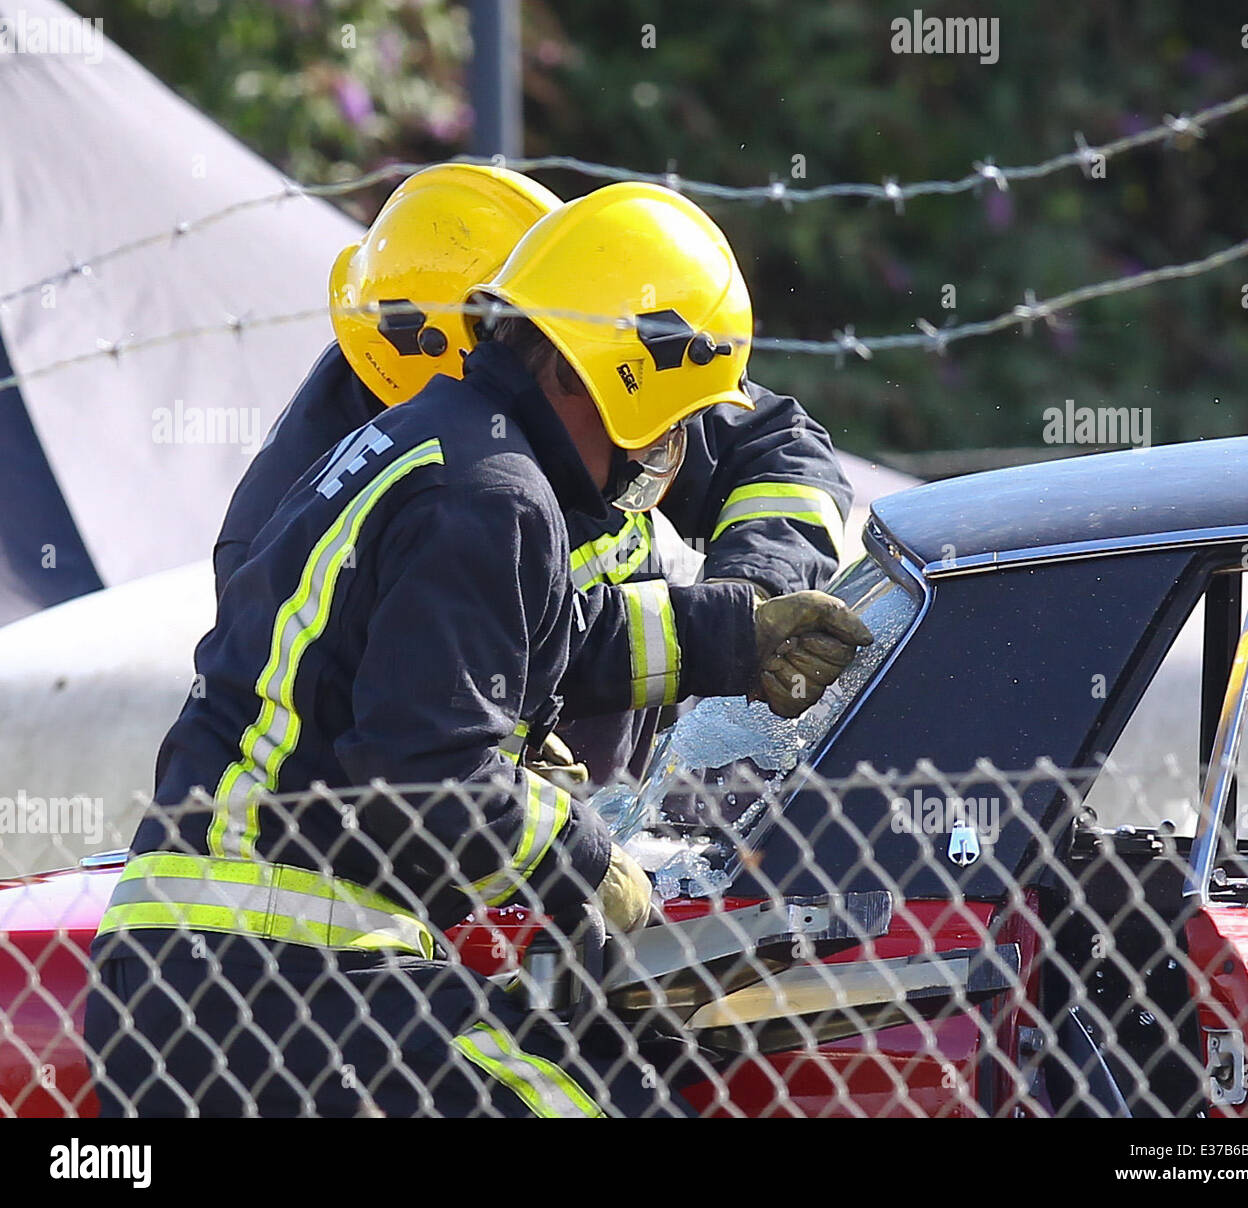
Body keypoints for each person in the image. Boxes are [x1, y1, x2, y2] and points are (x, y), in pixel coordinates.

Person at [84, 182, 872, 1118]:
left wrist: (735, 637)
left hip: (228, 971)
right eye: (672, 420)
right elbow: (419, 769)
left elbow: (555, 636)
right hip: (276, 976)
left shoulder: (448, 442)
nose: (674, 449)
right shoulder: (488, 493)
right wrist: (586, 857)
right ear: (618, 377)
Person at [214, 164, 854, 785]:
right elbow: (399, 734)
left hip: (613, 790)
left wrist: (754, 603)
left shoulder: (580, 368)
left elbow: (779, 452)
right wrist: (498, 746)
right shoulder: (313, 515)